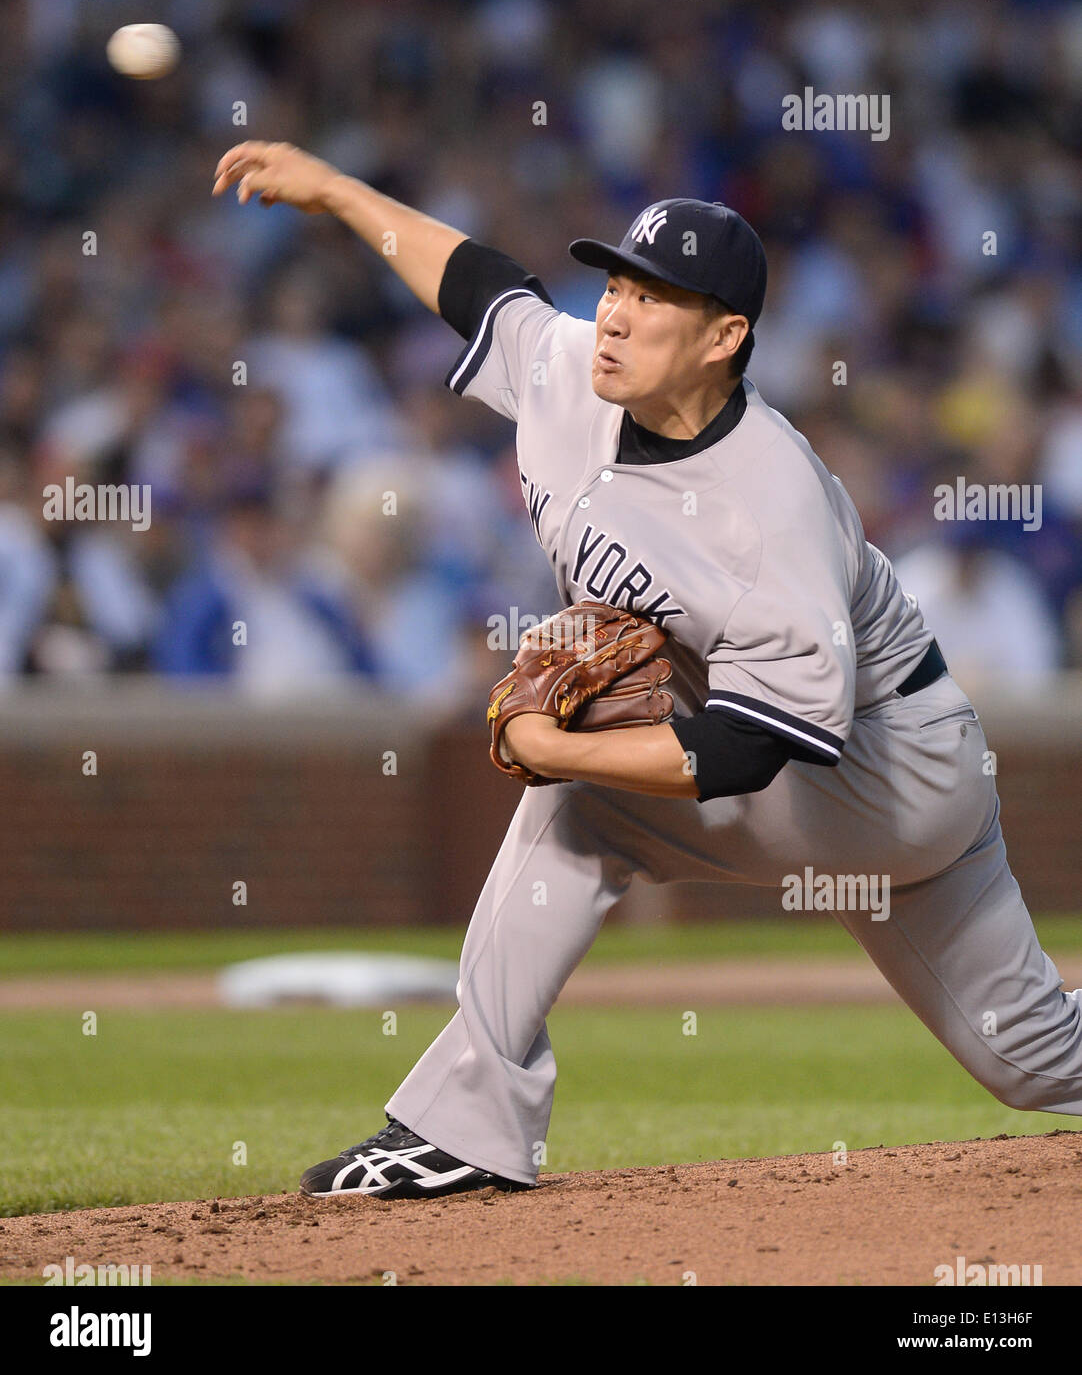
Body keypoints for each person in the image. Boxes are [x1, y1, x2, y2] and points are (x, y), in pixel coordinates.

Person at [214, 143, 1082, 1199]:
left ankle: (461, 1128)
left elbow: (746, 747)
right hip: (861, 756)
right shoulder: (572, 373)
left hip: (883, 767)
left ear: (724, 337)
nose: (616, 313)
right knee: (1032, 1057)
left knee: (581, 801)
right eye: (616, 282)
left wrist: (553, 744)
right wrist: (339, 191)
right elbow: (482, 285)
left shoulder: (768, 501)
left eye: (654, 297)